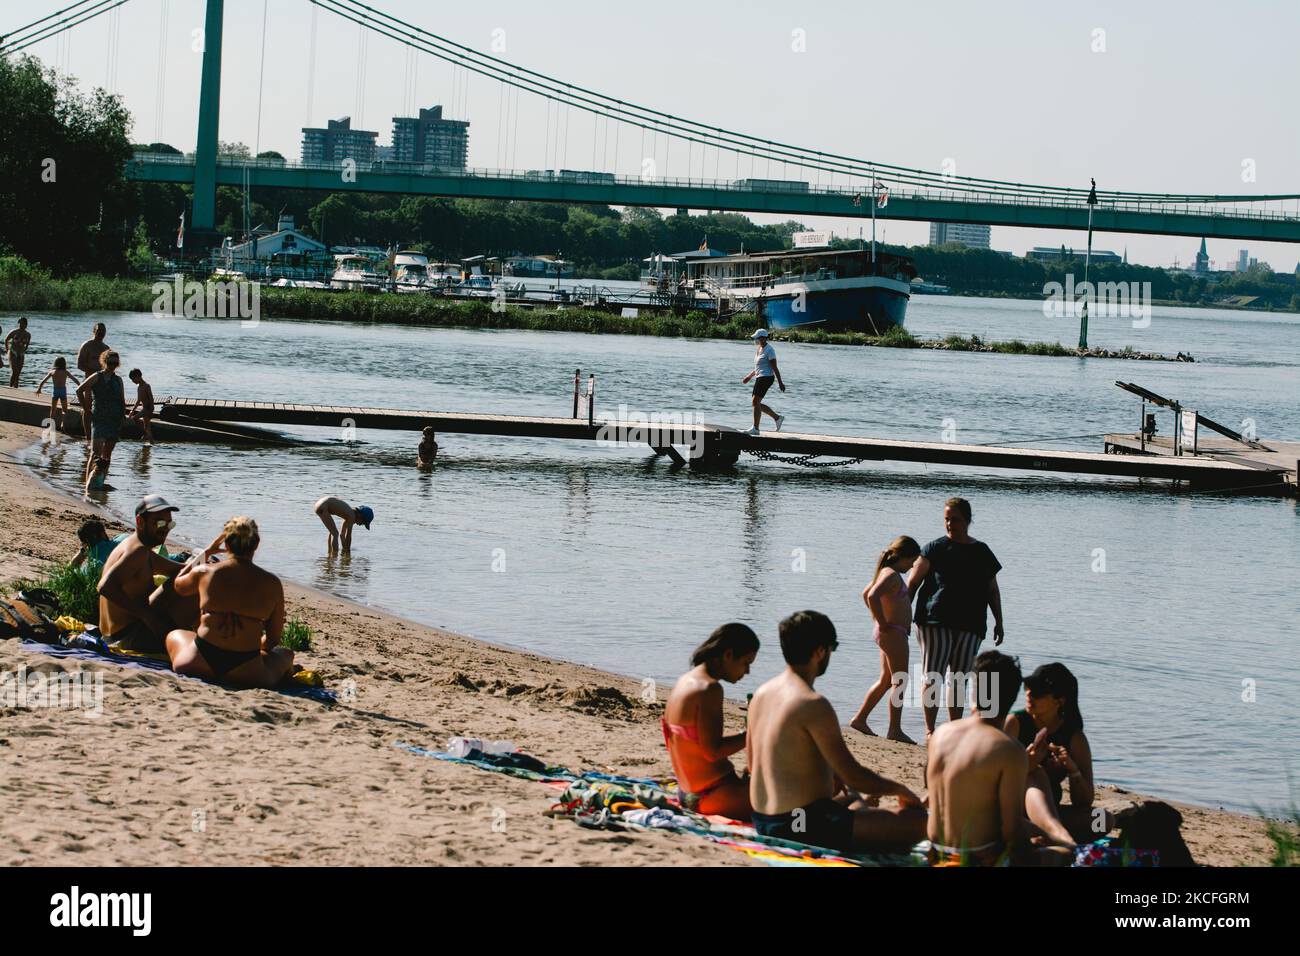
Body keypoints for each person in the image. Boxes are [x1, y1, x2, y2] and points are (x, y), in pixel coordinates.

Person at [747, 610, 925, 853]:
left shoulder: (762, 693)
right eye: (833, 648)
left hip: (763, 818)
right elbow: (854, 775)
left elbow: (753, 762)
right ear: (820, 652)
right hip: (800, 826)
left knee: (852, 798)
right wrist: (901, 789)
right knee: (920, 822)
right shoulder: (812, 703)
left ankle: (866, 822)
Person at [924, 650, 1049, 866]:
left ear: (973, 693)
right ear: (1011, 697)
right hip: (977, 859)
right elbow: (1011, 831)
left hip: (935, 853)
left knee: (1038, 834)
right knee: (1060, 854)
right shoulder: (1009, 750)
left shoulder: (941, 734)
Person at [908, 497, 1004, 738]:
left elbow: (992, 589)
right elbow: (913, 583)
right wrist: (902, 615)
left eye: (955, 519)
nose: (950, 524)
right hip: (934, 620)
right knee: (933, 674)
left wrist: (999, 621)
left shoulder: (982, 551)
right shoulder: (933, 548)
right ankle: (930, 730)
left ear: (968, 521)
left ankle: (953, 729)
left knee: (959, 678)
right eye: (947, 519)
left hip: (971, 623)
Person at [165, 516, 296, 689]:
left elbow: (179, 585)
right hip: (248, 670)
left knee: (174, 635)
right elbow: (273, 640)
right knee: (286, 654)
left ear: (226, 545)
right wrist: (250, 644)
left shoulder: (205, 572)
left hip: (198, 662)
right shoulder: (272, 583)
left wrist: (207, 552)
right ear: (256, 544)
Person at [663, 623, 759, 820]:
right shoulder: (709, 689)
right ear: (728, 655)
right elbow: (712, 751)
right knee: (800, 806)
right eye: (746, 663)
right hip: (714, 795)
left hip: (688, 792)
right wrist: (754, 733)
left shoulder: (686, 681)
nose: (747, 671)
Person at [1005, 662, 1096, 846]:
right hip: (1012, 810)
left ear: (1059, 701)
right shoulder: (1015, 723)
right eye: (1028, 688)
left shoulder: (1074, 737)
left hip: (1052, 811)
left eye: (1038, 692)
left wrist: (1073, 770)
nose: (1029, 695)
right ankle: (1053, 836)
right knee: (1036, 775)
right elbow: (996, 780)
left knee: (1102, 819)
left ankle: (1045, 833)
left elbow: (1084, 801)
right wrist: (1028, 765)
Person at [97, 495, 198, 652]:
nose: (165, 528)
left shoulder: (137, 546)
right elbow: (105, 587)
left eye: (169, 523)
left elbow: (178, 569)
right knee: (197, 589)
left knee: (185, 579)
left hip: (115, 635)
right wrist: (146, 616)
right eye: (159, 522)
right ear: (140, 522)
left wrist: (208, 561)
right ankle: (207, 646)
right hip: (128, 638)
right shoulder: (138, 552)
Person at [851, 535, 921, 743]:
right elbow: (871, 596)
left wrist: (881, 620)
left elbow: (866, 593)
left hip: (892, 632)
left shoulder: (887, 573)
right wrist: (881, 622)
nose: (911, 567)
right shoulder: (891, 574)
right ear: (903, 557)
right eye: (911, 562)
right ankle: (895, 729)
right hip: (893, 633)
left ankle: (860, 719)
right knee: (900, 681)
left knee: (886, 680)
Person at [76, 350, 127, 494]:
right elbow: (79, 390)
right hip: (99, 418)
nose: (112, 365)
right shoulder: (97, 376)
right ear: (104, 361)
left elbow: (122, 400)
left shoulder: (118, 380)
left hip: (114, 419)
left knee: (107, 455)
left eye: (115, 363)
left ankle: (99, 482)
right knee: (95, 454)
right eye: (110, 362)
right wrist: (86, 409)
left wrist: (123, 417)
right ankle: (87, 485)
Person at [739, 329, 785, 436]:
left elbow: (774, 368)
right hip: (760, 377)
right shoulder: (759, 348)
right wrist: (749, 377)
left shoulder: (770, 350)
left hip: (767, 377)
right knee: (756, 403)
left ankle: (756, 428)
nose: (756, 340)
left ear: (764, 338)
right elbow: (758, 367)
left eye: (758, 338)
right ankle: (777, 418)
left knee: (755, 402)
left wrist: (780, 383)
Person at [76, 323, 110, 438]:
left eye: (103, 331)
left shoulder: (106, 348)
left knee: (101, 408)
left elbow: (109, 367)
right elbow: (79, 364)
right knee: (87, 407)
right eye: (99, 330)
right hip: (89, 381)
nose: (101, 333)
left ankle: (98, 434)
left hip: (102, 383)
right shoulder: (87, 345)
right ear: (94, 331)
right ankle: (87, 436)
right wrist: (94, 373)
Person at [35, 357, 81, 433]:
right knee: (64, 410)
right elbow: (75, 379)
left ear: (55, 363)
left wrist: (39, 389)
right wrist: (80, 386)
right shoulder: (66, 372)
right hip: (63, 391)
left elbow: (43, 381)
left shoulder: (52, 372)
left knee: (53, 410)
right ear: (64, 364)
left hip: (55, 392)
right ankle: (63, 425)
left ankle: (51, 425)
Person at [127, 368, 155, 444]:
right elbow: (138, 400)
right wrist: (133, 410)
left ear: (138, 376)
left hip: (148, 409)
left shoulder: (146, 386)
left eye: (133, 379)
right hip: (144, 409)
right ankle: (150, 443)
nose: (133, 381)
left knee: (135, 418)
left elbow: (151, 398)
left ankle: (145, 435)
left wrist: (151, 409)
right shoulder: (139, 387)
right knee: (147, 428)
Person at [4, 317, 31, 388]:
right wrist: (7, 350)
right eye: (21, 323)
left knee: (18, 373)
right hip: (13, 352)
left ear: (26, 324)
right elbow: (6, 339)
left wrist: (24, 351)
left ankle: (15, 388)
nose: (22, 325)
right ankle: (10, 388)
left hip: (21, 354)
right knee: (14, 371)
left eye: (24, 324)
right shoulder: (14, 332)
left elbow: (27, 345)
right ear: (19, 323)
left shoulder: (28, 334)